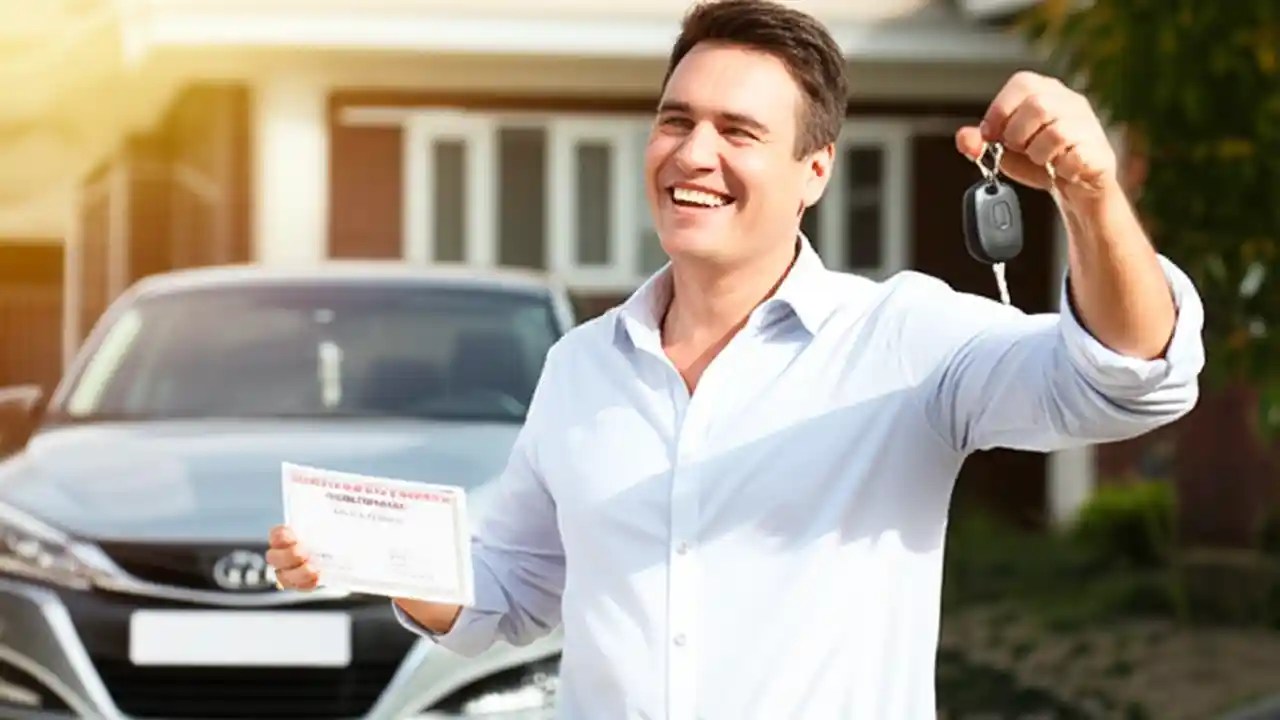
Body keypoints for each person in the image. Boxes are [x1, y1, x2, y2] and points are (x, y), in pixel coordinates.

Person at [267, 0, 1205, 717]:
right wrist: (368, 551)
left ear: (815, 170)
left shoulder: (905, 340)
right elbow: (512, 593)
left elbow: (1125, 381)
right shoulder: (581, 367)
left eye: (739, 131)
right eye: (676, 121)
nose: (693, 154)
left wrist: (1091, 196)